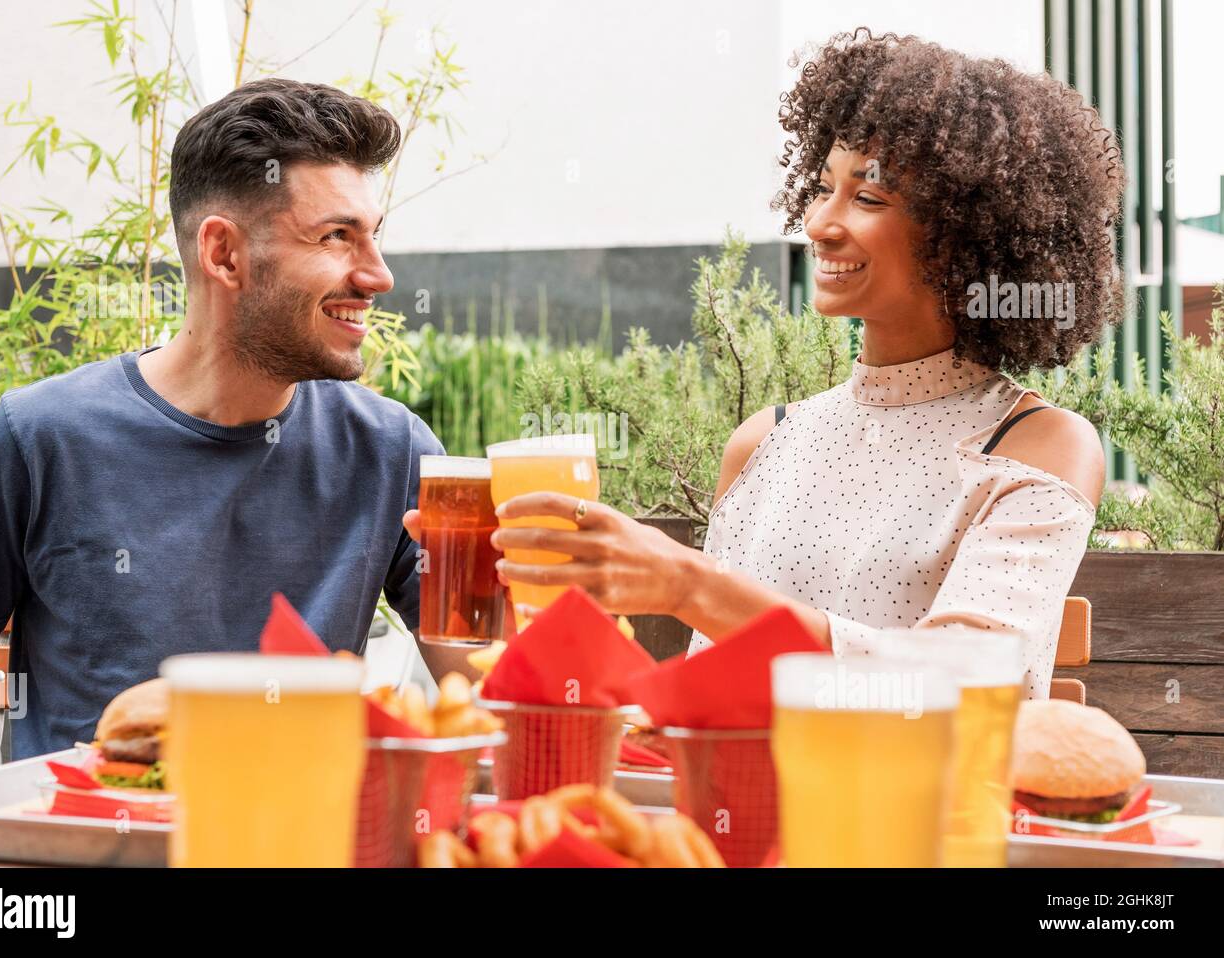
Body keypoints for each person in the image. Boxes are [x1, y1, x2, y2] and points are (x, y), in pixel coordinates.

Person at [411, 31, 1118, 699]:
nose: (818, 223)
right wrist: (534, 596)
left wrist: (686, 583)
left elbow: (964, 684)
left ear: (966, 233)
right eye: (822, 187)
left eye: (866, 197)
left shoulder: (1034, 446)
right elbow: (713, 691)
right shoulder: (764, 442)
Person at [0, 78, 443, 775]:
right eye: (336, 237)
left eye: (373, 236)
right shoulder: (39, 438)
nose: (377, 275)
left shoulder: (392, 450)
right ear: (224, 254)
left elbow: (499, 692)